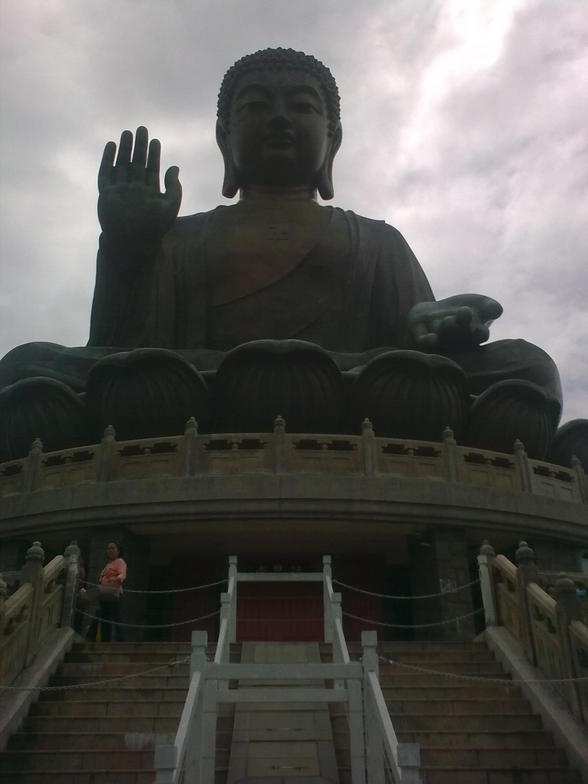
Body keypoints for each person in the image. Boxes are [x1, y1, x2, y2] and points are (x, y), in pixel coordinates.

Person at [0, 48, 564, 457]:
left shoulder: (376, 240)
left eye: (300, 106)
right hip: (205, 389)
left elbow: (419, 356)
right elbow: (119, 352)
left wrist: (433, 330)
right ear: (224, 139)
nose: (277, 118)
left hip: (345, 389)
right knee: (25, 368)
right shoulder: (179, 238)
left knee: (531, 368)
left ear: (332, 140)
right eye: (254, 107)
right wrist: (125, 250)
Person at [97, 542, 127, 642]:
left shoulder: (120, 561)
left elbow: (122, 574)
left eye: (113, 548)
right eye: (108, 548)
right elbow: (101, 577)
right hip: (105, 593)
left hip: (114, 593)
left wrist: (115, 579)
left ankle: (121, 639)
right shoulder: (107, 564)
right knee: (105, 618)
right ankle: (105, 640)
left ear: (118, 551)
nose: (110, 550)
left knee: (116, 616)